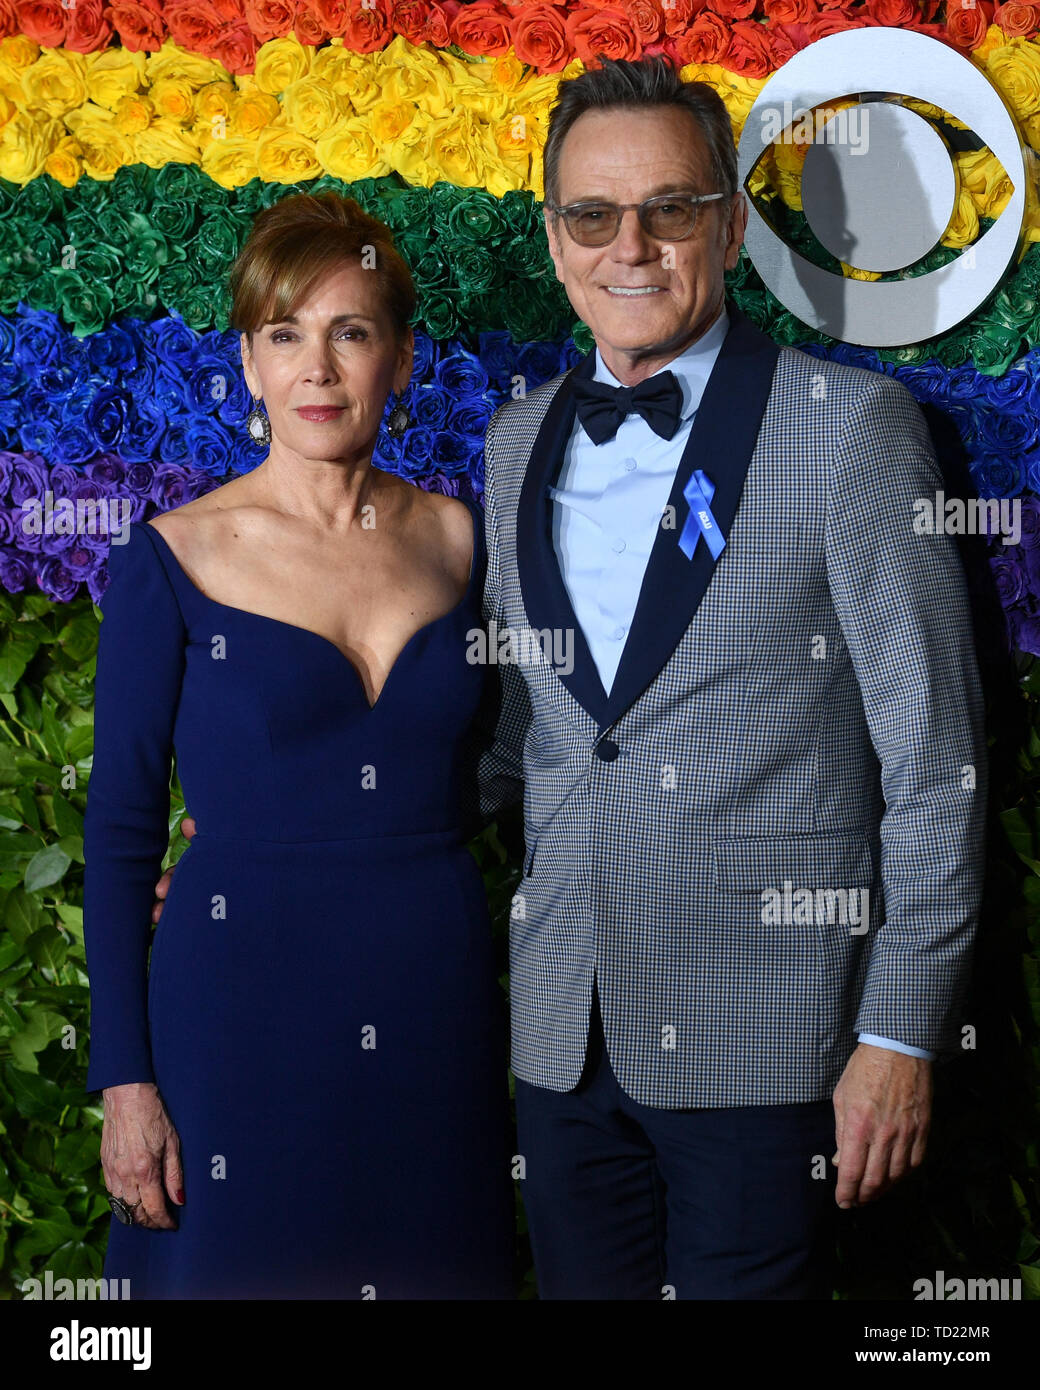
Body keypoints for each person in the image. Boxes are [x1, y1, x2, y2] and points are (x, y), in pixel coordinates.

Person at [466, 55, 986, 1298]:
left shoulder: (849, 431)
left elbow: (937, 766)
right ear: (553, 240)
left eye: (669, 208)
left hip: (775, 1050)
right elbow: (507, 740)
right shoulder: (514, 440)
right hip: (563, 1040)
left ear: (730, 222)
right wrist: (269, 840)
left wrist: (899, 1030)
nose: (628, 246)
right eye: (592, 215)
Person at [83, 191, 514, 1299]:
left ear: (401, 359)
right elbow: (124, 830)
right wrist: (124, 1083)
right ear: (248, 361)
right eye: (285, 335)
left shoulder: (466, 541)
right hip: (235, 1004)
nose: (316, 368)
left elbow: (537, 752)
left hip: (432, 988)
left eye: (350, 331)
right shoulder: (172, 559)